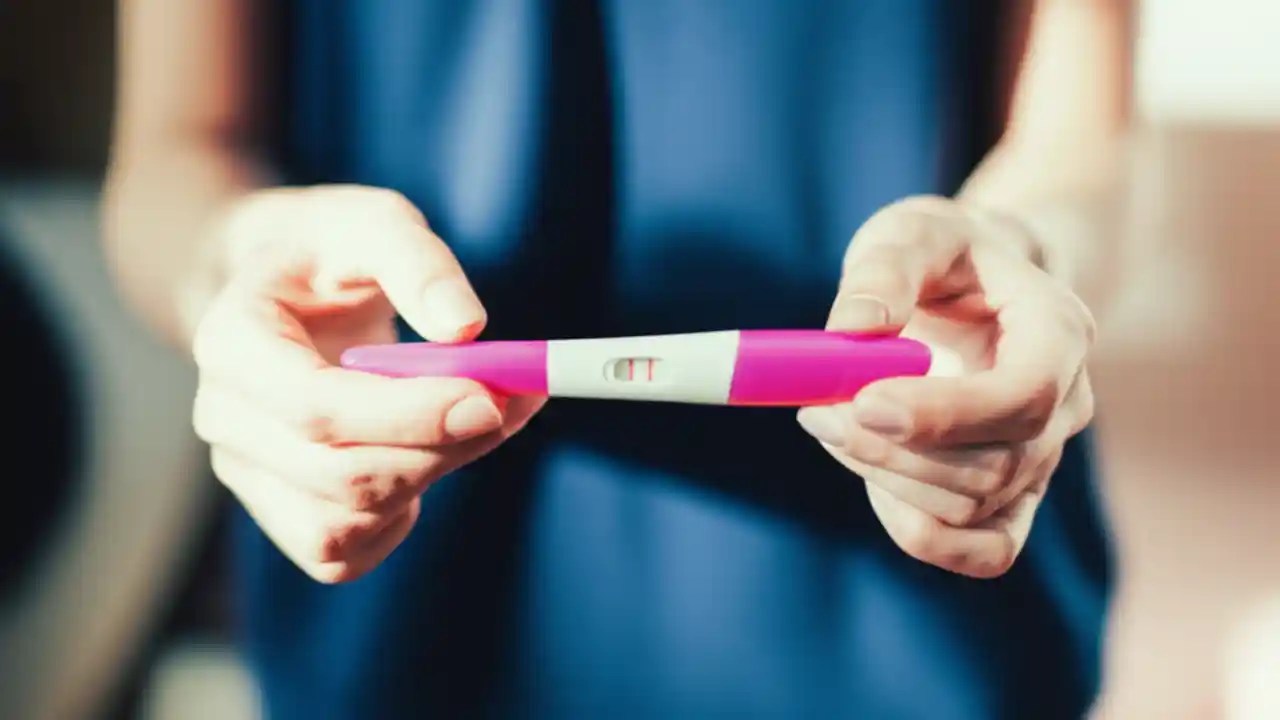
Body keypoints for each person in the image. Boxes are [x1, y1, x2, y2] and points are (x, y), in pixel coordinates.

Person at [104, 1, 1129, 717]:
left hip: (919, 606)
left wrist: (1028, 259)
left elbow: (1079, 150)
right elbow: (175, 154)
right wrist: (232, 269)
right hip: (412, 622)